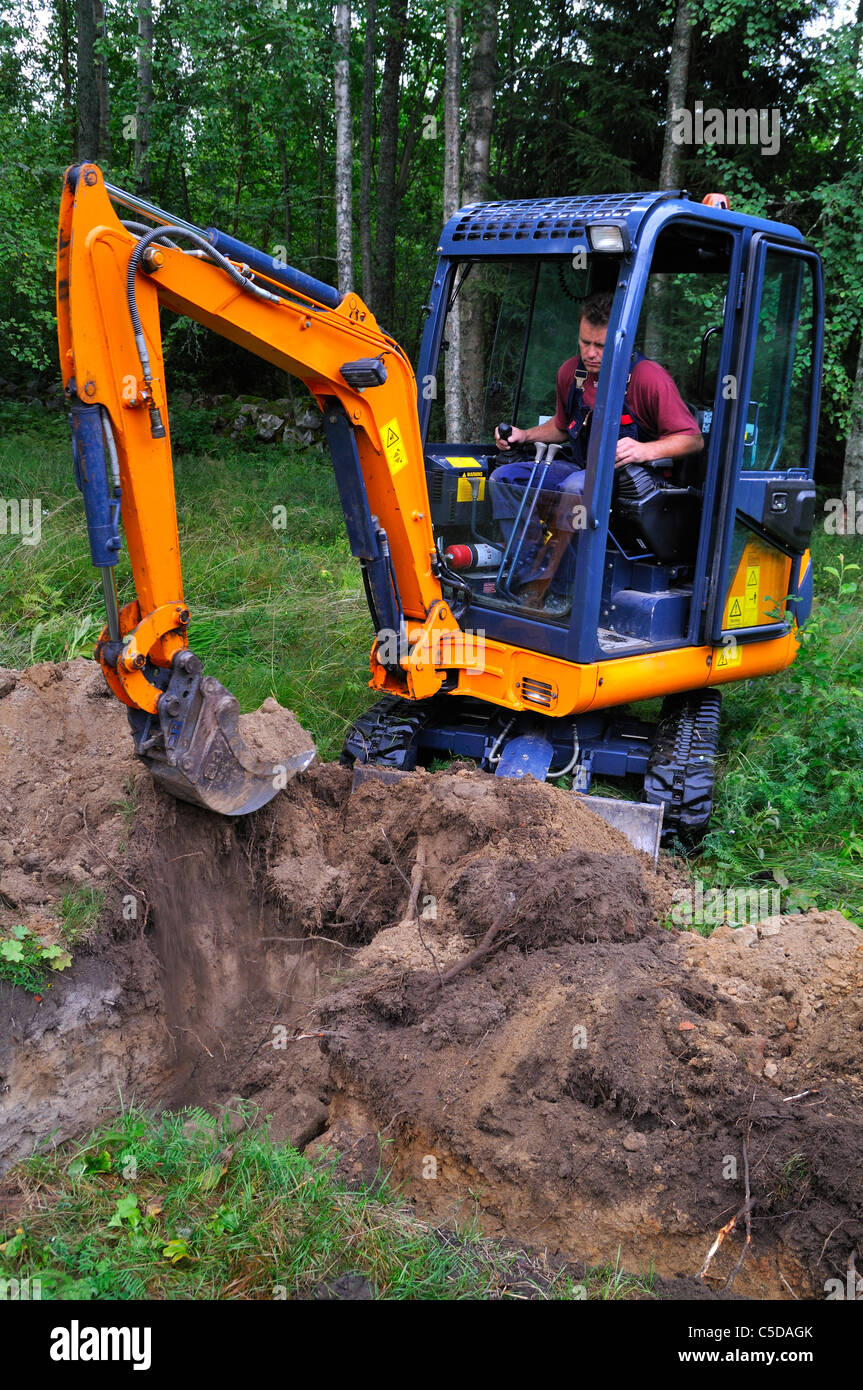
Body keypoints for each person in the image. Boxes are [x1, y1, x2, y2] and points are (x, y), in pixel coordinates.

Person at [490, 291, 703, 612]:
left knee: (575, 486)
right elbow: (563, 426)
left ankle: (561, 590)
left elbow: (691, 439)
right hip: (580, 466)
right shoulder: (571, 374)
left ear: (621, 339)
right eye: (584, 342)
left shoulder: (647, 378)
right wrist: (525, 434)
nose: (590, 353)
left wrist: (644, 449)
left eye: (600, 346)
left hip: (631, 479)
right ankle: (524, 573)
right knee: (504, 478)